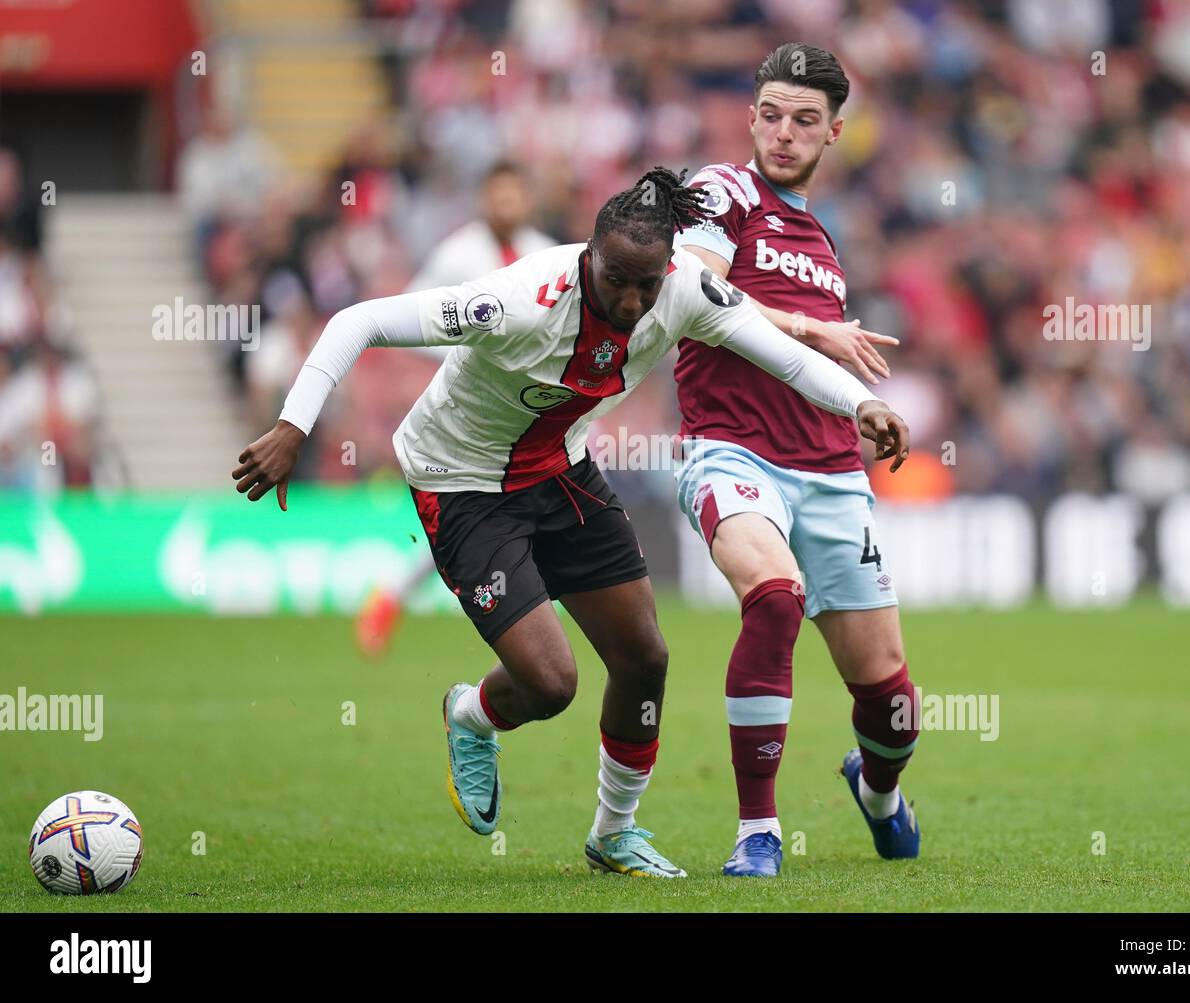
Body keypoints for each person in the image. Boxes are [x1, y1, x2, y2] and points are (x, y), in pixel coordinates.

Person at [232, 167, 910, 878]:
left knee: (644, 656)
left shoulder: (684, 289)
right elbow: (360, 321)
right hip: (462, 481)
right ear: (590, 256)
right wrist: (292, 427)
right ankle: (470, 714)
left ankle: (614, 833)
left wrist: (860, 403)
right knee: (552, 685)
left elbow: (785, 358)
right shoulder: (517, 301)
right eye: (617, 279)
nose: (632, 300)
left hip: (559, 468)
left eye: (647, 284)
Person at [673, 44, 921, 877]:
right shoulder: (722, 192)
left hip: (831, 472)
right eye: (772, 115)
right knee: (774, 597)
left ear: (833, 132)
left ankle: (878, 792)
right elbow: (695, 294)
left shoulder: (820, 239)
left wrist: (857, 406)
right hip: (732, 451)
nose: (784, 133)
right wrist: (815, 329)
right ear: (751, 118)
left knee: (892, 704)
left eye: (805, 120)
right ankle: (758, 830)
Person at [356, 161, 557, 657]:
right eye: (498, 195)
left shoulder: (544, 253)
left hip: (537, 415)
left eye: (514, 195)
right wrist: (465, 358)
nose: (506, 204)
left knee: (532, 511)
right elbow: (410, 314)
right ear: (484, 200)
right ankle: (395, 596)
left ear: (527, 201)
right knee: (469, 516)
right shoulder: (457, 254)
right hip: (475, 415)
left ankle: (543, 607)